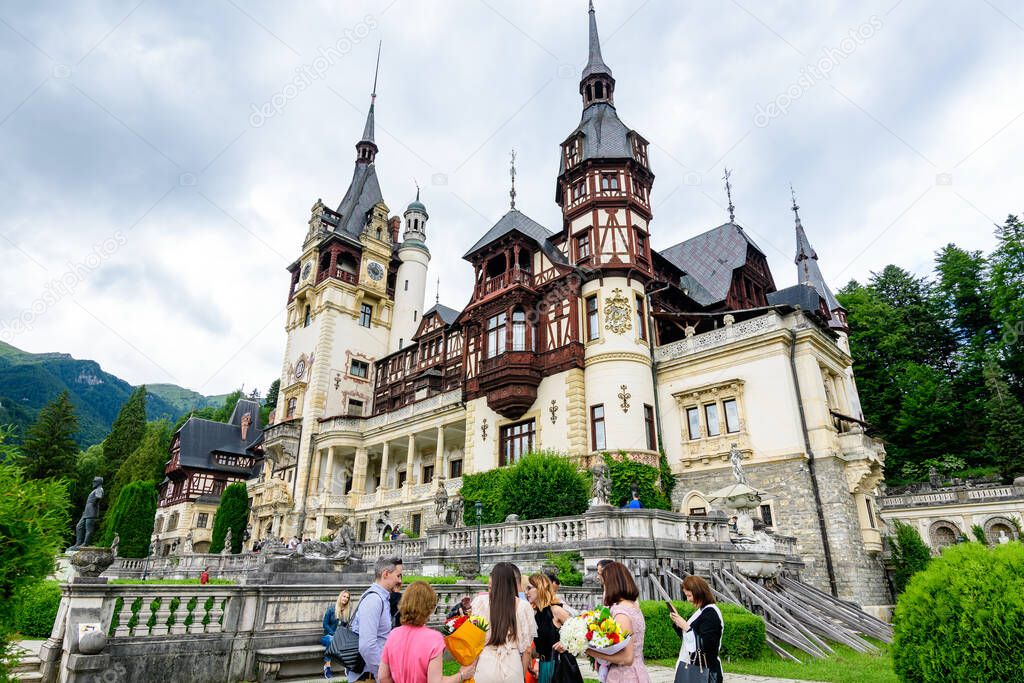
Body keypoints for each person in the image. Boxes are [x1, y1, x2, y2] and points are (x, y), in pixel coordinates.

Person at [378, 581, 476, 683]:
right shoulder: (434, 638)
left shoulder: (394, 634)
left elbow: (383, 677)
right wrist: (462, 675)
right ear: (430, 607)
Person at [470, 562, 537, 683]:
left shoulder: (480, 602)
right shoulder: (524, 606)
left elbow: (474, 641)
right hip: (513, 666)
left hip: (486, 664)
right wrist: (521, 675)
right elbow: (527, 650)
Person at [587, 562, 649, 683]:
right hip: (638, 669)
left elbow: (627, 658)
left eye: (605, 583)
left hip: (624, 675)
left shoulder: (621, 613)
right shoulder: (633, 605)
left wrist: (593, 652)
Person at [348, 556, 403, 683]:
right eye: (398, 575)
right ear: (386, 574)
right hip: (368, 676)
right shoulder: (374, 600)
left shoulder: (382, 598)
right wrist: (382, 675)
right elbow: (367, 646)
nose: (400, 581)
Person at [669, 575, 723, 683]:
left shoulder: (710, 614)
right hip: (697, 668)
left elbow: (706, 646)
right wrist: (678, 623)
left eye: (689, 595)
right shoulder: (702, 611)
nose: (688, 600)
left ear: (699, 592)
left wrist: (686, 627)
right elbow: (689, 639)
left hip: (706, 672)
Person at [526, 574, 570, 683]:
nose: (526, 592)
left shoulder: (555, 610)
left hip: (558, 667)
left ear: (540, 588)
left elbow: (578, 630)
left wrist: (564, 643)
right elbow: (541, 645)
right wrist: (531, 658)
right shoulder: (537, 614)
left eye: (529, 588)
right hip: (543, 666)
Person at [322, 590, 352, 679]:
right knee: (331, 640)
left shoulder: (347, 612)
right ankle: (327, 666)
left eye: (347, 597)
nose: (345, 599)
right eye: (344, 596)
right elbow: (325, 624)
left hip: (339, 638)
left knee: (349, 643)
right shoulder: (331, 609)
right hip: (328, 636)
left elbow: (345, 627)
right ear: (340, 597)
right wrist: (333, 633)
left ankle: (347, 666)